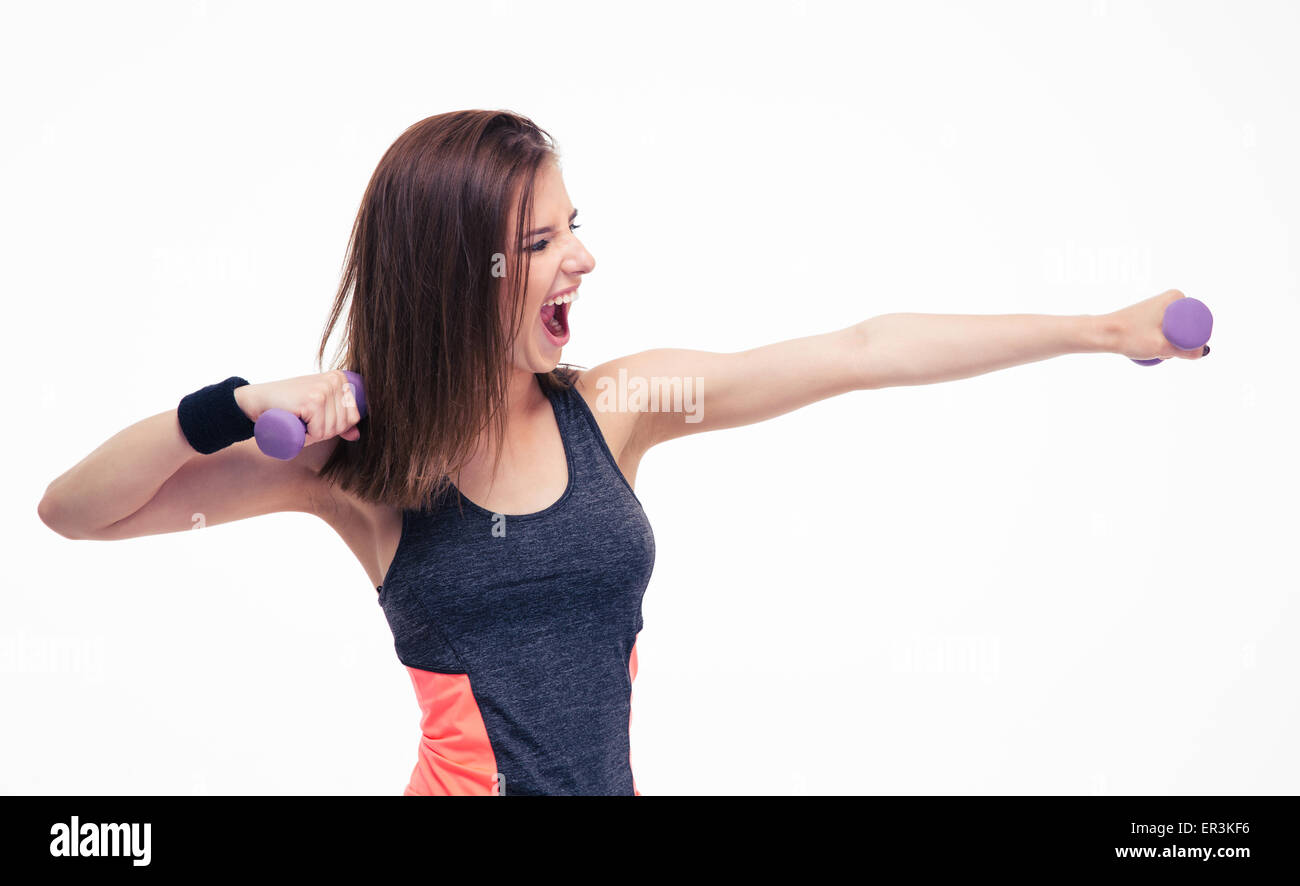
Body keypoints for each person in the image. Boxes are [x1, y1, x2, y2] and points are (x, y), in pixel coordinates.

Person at [36, 109, 1208, 796]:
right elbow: (77, 510)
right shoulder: (357, 470)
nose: (581, 260)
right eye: (541, 240)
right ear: (462, 273)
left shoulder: (618, 404)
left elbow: (861, 347)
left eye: (575, 225)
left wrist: (1101, 331)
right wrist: (231, 403)